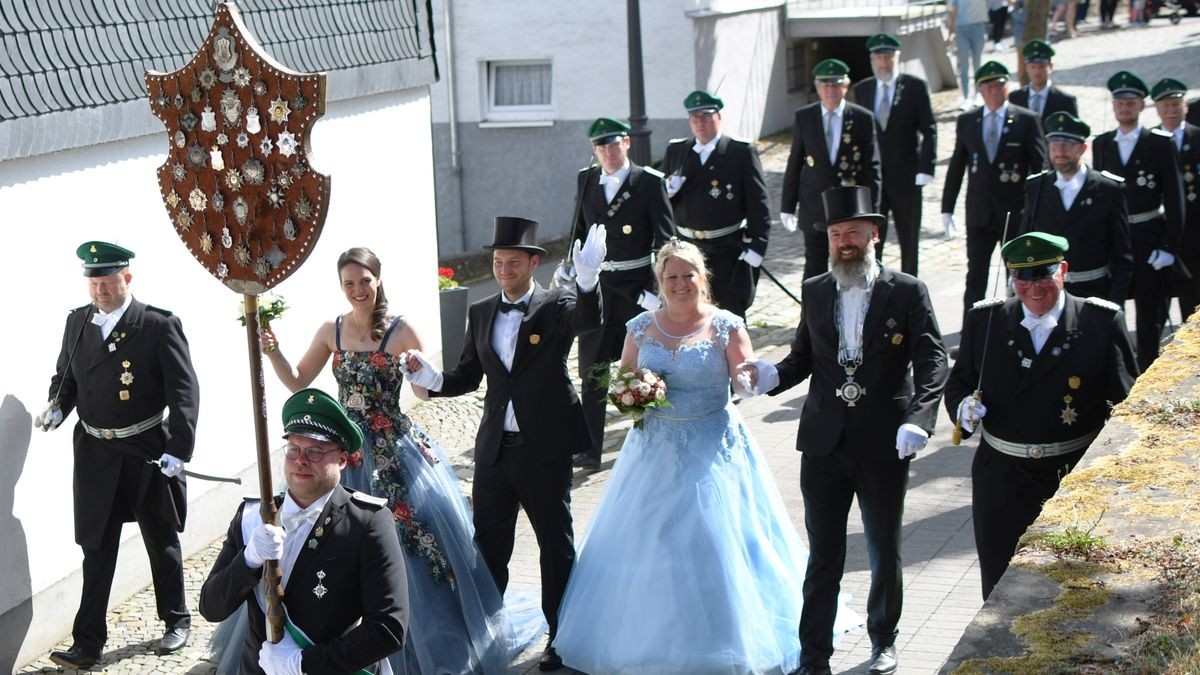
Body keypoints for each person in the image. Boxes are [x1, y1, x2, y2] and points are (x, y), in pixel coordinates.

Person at [552, 238, 859, 674]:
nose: (680, 284)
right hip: (653, 450)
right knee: (652, 540)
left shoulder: (726, 325)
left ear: (703, 278)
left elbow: (744, 375)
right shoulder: (639, 326)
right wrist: (635, 393)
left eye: (688, 275)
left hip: (714, 447)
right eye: (671, 276)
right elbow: (621, 386)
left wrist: (750, 378)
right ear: (660, 281)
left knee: (716, 541)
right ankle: (649, 639)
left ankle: (722, 638)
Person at [257, 247, 536, 673]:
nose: (357, 290)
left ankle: (427, 637)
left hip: (392, 448)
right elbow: (297, 379)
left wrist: (416, 369)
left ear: (378, 279)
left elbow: (426, 392)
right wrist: (272, 350)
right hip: (342, 452)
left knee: (413, 539)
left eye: (364, 281)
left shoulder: (402, 330)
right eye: (348, 283)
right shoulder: (330, 330)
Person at [751, 186, 949, 675]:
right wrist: (773, 375)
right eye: (837, 233)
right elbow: (804, 357)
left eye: (853, 233)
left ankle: (884, 639)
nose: (844, 242)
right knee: (823, 555)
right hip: (823, 443)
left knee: (884, 547)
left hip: (886, 440)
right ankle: (814, 655)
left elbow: (933, 360)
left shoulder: (906, 290)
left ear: (874, 235)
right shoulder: (817, 288)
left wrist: (919, 418)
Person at [403, 217, 606, 671]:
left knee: (556, 547)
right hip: (494, 453)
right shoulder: (480, 312)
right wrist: (430, 379)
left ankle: (561, 637)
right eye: (498, 261)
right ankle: (484, 636)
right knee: (489, 549)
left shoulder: (556, 304)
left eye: (514, 261)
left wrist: (589, 280)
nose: (503, 269)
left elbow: (588, 322)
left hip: (544, 451)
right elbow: (468, 376)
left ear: (534, 262)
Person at [35, 241, 199, 669]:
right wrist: (56, 406)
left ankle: (176, 619)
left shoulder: (158, 325)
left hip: (145, 447)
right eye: (94, 283)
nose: (100, 291)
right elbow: (67, 376)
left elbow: (184, 393)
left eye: (107, 282)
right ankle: (88, 642)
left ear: (127, 278)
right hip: (95, 451)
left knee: (160, 537)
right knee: (96, 547)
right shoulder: (78, 322)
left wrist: (179, 449)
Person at [947, 233, 1137, 600]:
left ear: (1063, 271)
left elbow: (1125, 407)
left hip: (1070, 476)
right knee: (1000, 587)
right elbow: (959, 382)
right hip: (1001, 479)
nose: (1033, 288)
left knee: (1071, 587)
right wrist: (962, 410)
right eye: (1022, 278)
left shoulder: (1100, 322)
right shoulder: (985, 320)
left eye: (1042, 275)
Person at [199, 388, 410, 674]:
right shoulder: (251, 518)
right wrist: (248, 559)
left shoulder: (367, 523)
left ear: (344, 459)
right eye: (294, 449)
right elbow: (211, 607)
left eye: (316, 451)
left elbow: (388, 628)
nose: (301, 460)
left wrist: (304, 664)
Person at [566, 117, 673, 471]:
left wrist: (658, 292)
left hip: (635, 289)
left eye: (614, 145)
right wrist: (573, 266)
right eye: (601, 147)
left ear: (627, 143)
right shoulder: (586, 179)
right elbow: (578, 231)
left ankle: (651, 440)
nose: (608, 153)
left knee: (644, 369)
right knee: (593, 370)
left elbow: (666, 241)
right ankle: (590, 448)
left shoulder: (649, 182)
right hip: (598, 289)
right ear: (594, 150)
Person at [1092, 71, 1186, 371]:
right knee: (1111, 306)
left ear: (1141, 106)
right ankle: (1118, 369)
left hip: (1148, 236)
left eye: (1130, 103)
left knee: (1150, 313)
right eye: (1119, 103)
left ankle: (1147, 368)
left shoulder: (1159, 143)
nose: (1124, 108)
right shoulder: (1103, 143)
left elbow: (1175, 198)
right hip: (1116, 239)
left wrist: (1169, 246)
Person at [943, 61, 1048, 325]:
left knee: (1020, 274)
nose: (995, 90)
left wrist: (1038, 210)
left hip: (1014, 212)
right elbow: (957, 165)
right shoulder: (968, 120)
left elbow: (1040, 169)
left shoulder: (1026, 119)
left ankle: (1018, 326)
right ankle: (972, 331)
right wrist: (947, 207)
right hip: (979, 212)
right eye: (989, 86)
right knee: (975, 275)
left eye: (1000, 84)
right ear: (980, 90)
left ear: (1008, 87)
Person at [659, 90, 772, 318]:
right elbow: (660, 203)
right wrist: (667, 190)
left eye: (706, 116)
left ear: (718, 117)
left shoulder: (739, 152)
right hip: (688, 248)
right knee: (688, 309)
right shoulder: (678, 151)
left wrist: (757, 246)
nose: (700, 123)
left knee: (730, 311)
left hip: (727, 247)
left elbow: (759, 203)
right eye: (695, 118)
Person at [781, 58, 881, 280]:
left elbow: (872, 168)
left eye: (836, 84)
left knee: (854, 262)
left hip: (850, 206)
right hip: (815, 204)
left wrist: (872, 211)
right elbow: (795, 162)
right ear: (817, 88)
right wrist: (787, 206)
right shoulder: (805, 116)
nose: (831, 90)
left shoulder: (862, 118)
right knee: (814, 264)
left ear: (845, 86)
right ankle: (812, 313)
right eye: (825, 85)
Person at [1020, 112, 1133, 304]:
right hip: (1048, 293)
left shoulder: (1107, 189)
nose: (1060, 152)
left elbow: (1122, 255)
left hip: (1095, 291)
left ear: (1082, 148)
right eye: (1054, 145)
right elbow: (1026, 242)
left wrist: (1115, 303)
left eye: (1067, 146)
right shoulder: (1037, 187)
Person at [852, 33, 937, 275]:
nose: (884, 62)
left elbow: (929, 128)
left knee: (908, 238)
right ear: (872, 60)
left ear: (897, 58)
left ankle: (910, 285)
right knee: (872, 237)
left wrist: (925, 168)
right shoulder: (864, 89)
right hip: (874, 179)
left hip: (907, 175)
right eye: (879, 57)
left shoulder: (914, 86)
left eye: (888, 56)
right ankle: (874, 282)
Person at [1151, 78, 1200, 320]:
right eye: (1165, 105)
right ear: (1157, 109)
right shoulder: (1150, 142)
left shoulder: (1197, 137)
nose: (1171, 110)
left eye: (1175, 104)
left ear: (1186, 106)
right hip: (1162, 232)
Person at [1007, 40, 1079, 121]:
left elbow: (1073, 132)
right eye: (1033, 67)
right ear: (1026, 68)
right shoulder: (1015, 98)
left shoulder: (1065, 100)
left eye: (1041, 67)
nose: (1037, 72)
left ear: (1050, 67)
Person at [947, 0, 989, 110]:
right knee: (964, 64)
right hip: (961, 29)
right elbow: (953, 12)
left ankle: (978, 94)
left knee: (977, 64)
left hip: (978, 27)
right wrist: (950, 33)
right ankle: (966, 97)